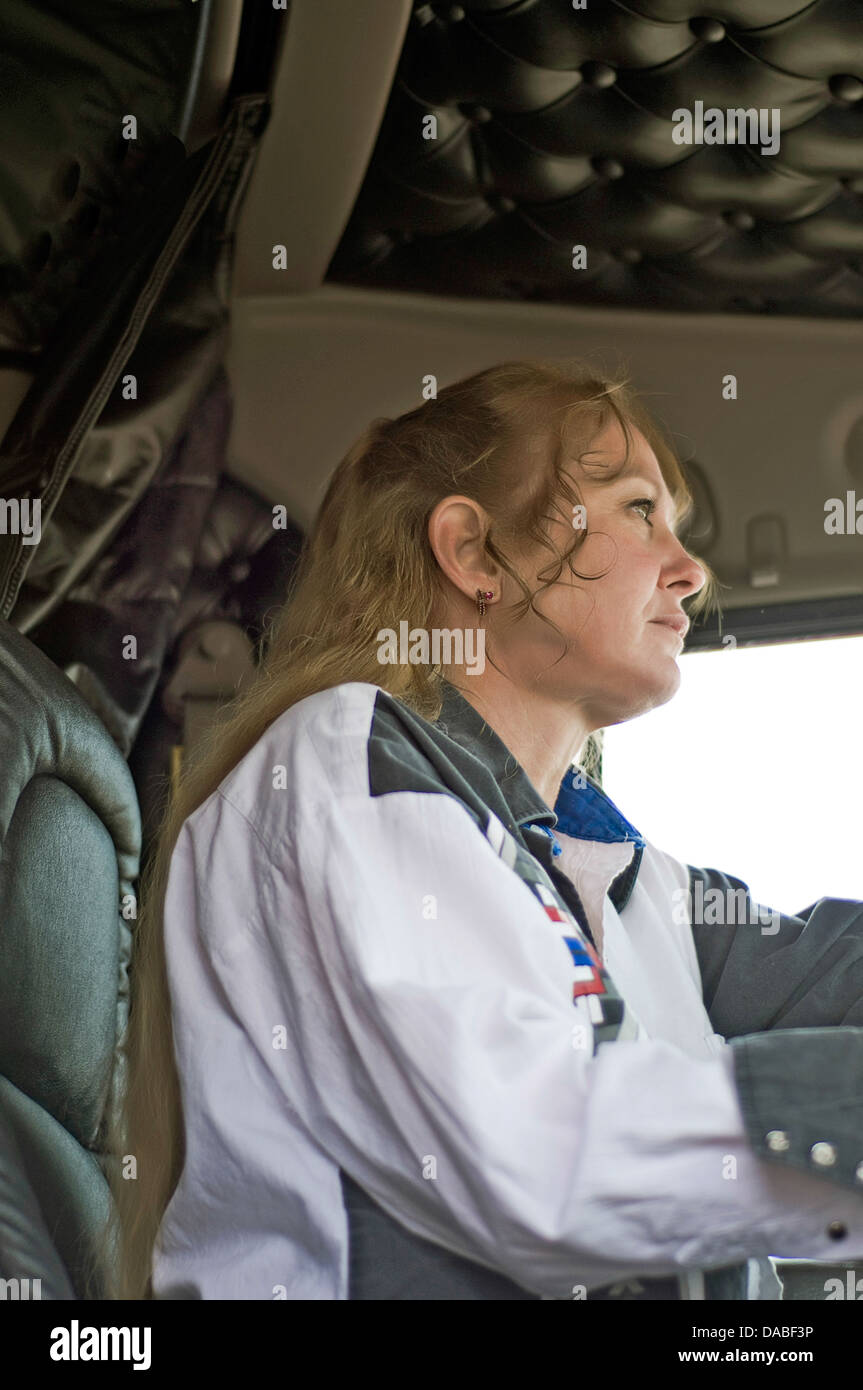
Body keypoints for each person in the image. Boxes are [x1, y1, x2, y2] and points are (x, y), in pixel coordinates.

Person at [103, 358, 863, 1300]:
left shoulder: (616, 874)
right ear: (471, 554)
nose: (690, 569)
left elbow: (821, 977)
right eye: (637, 511)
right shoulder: (343, 756)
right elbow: (533, 1153)